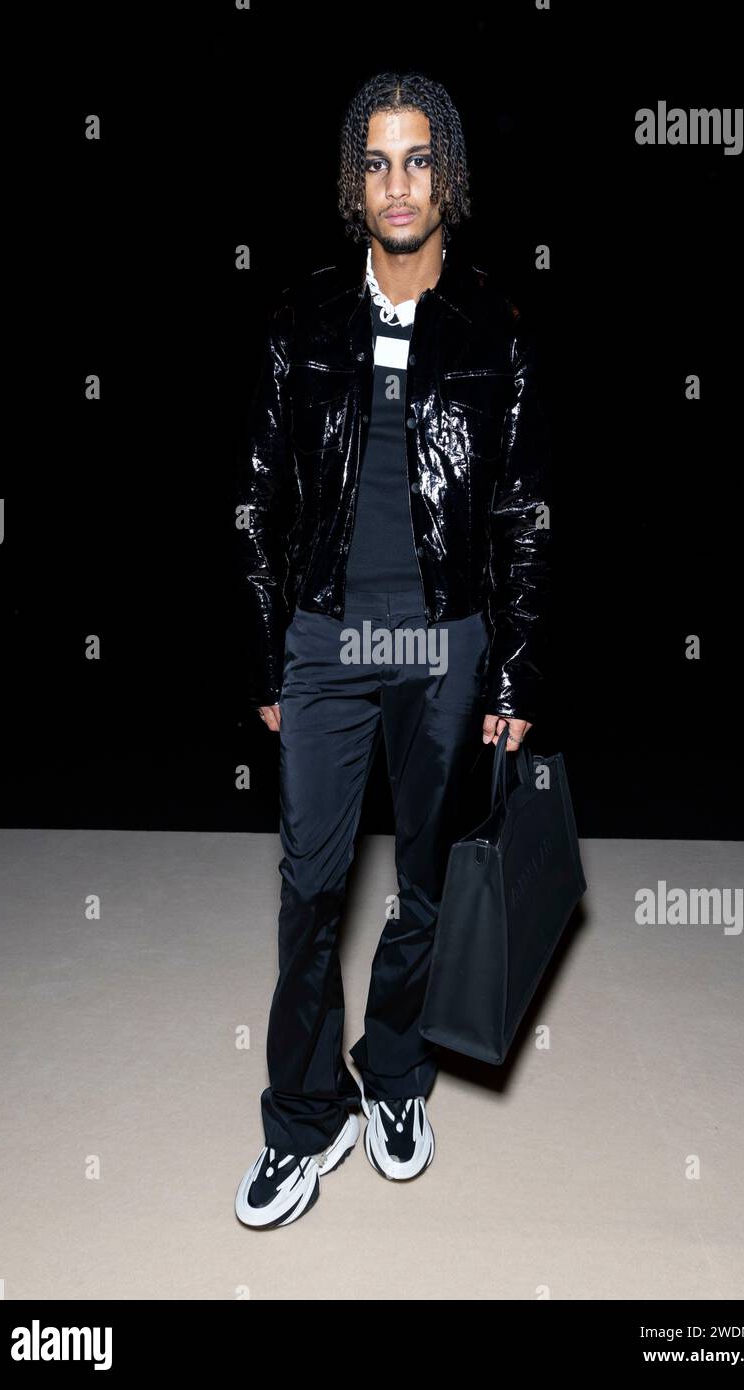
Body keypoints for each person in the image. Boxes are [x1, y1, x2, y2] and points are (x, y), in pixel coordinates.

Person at [233, 70, 552, 1228]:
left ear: (449, 174)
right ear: (351, 181)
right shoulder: (302, 319)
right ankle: (303, 1114)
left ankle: (398, 1075)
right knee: (310, 890)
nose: (398, 183)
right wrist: (270, 657)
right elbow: (258, 498)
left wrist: (511, 673)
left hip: (445, 645)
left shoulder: (491, 330)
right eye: (377, 161)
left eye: (419, 158)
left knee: (425, 887)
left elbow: (522, 512)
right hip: (324, 637)